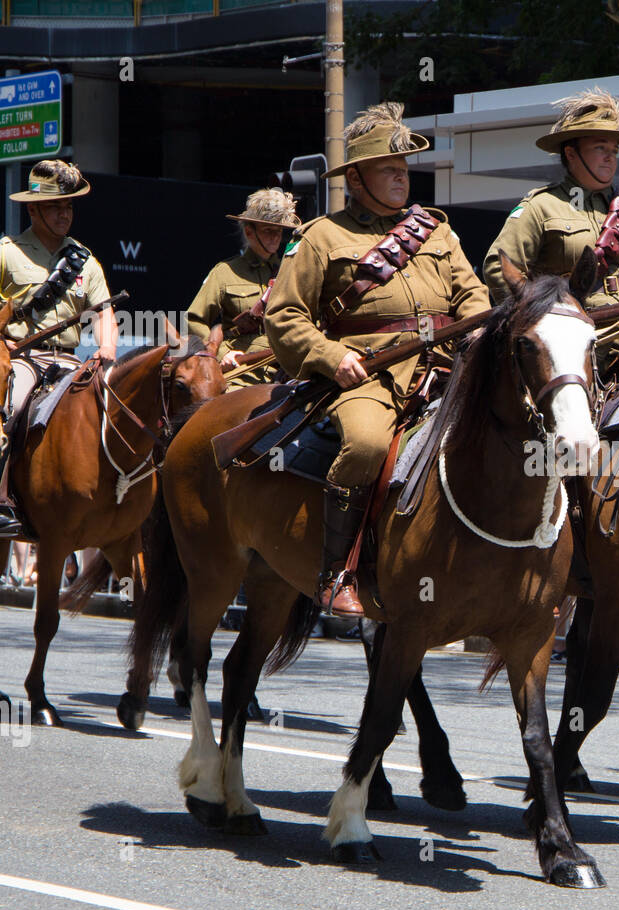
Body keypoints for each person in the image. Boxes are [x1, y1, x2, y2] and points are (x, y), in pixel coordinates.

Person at [265, 102, 490, 617]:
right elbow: (283, 318)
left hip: (447, 367)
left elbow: (473, 294)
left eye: (404, 169)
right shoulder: (322, 237)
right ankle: (337, 571)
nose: (401, 178)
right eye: (389, 170)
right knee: (366, 445)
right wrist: (330, 355)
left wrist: (477, 328)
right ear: (358, 179)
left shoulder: (435, 231)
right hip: (371, 374)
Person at [0, 160, 118, 537]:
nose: (64, 214)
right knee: (8, 410)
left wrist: (107, 347)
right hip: (24, 359)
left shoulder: (84, 261)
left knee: (114, 414)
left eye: (69, 206)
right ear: (33, 208)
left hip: (72, 361)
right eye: (56, 206)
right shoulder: (7, 252)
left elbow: (103, 311)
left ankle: (115, 498)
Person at [484, 87, 619, 379]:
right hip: (567, 349)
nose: (610, 158)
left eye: (614, 150)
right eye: (600, 148)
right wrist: (539, 321)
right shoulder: (542, 206)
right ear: (571, 153)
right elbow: (498, 266)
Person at [188, 189, 300, 388]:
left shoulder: (291, 272)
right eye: (268, 230)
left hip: (288, 367)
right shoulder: (225, 272)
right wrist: (221, 354)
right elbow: (193, 319)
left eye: (279, 231)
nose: (275, 237)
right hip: (242, 370)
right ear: (249, 231)